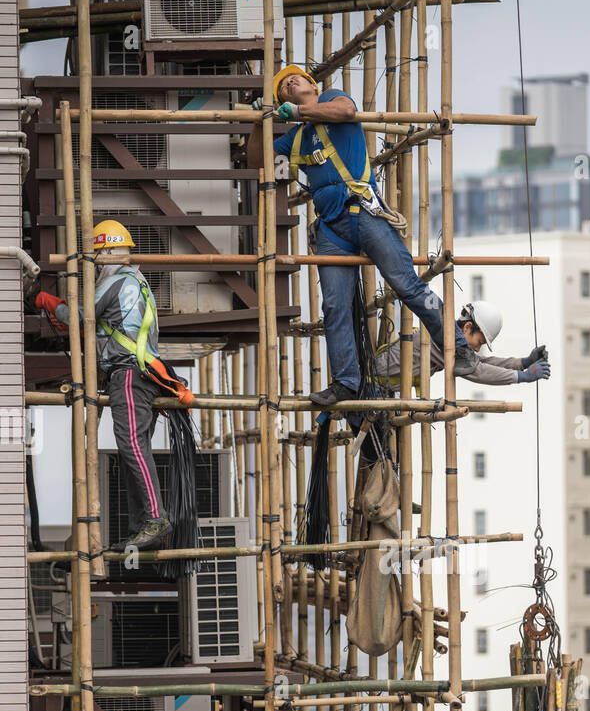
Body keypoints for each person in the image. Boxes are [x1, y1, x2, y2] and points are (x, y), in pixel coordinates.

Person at [247, 63, 480, 411]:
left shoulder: (332, 100)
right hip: (332, 226)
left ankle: (459, 349)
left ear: (311, 85)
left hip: (364, 212)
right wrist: (258, 121)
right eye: (283, 88)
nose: (289, 84)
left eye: (294, 80)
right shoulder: (296, 137)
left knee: (406, 284)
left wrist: (298, 110)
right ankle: (346, 382)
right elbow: (258, 160)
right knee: (335, 305)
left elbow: (346, 111)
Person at [35, 220, 191, 550]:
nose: (94, 266)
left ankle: (154, 519)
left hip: (131, 374)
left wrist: (49, 302)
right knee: (133, 448)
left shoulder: (118, 279)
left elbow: (81, 314)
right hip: (138, 373)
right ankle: (143, 525)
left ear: (105, 252)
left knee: (131, 444)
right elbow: (106, 326)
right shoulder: (136, 280)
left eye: (97, 256)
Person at [375, 298, 551, 388]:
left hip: (382, 388)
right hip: (373, 387)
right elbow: (478, 370)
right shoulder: (445, 339)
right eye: (479, 341)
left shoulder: (446, 334)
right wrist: (523, 377)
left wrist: (523, 363)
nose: (477, 348)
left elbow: (481, 362)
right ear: (467, 327)